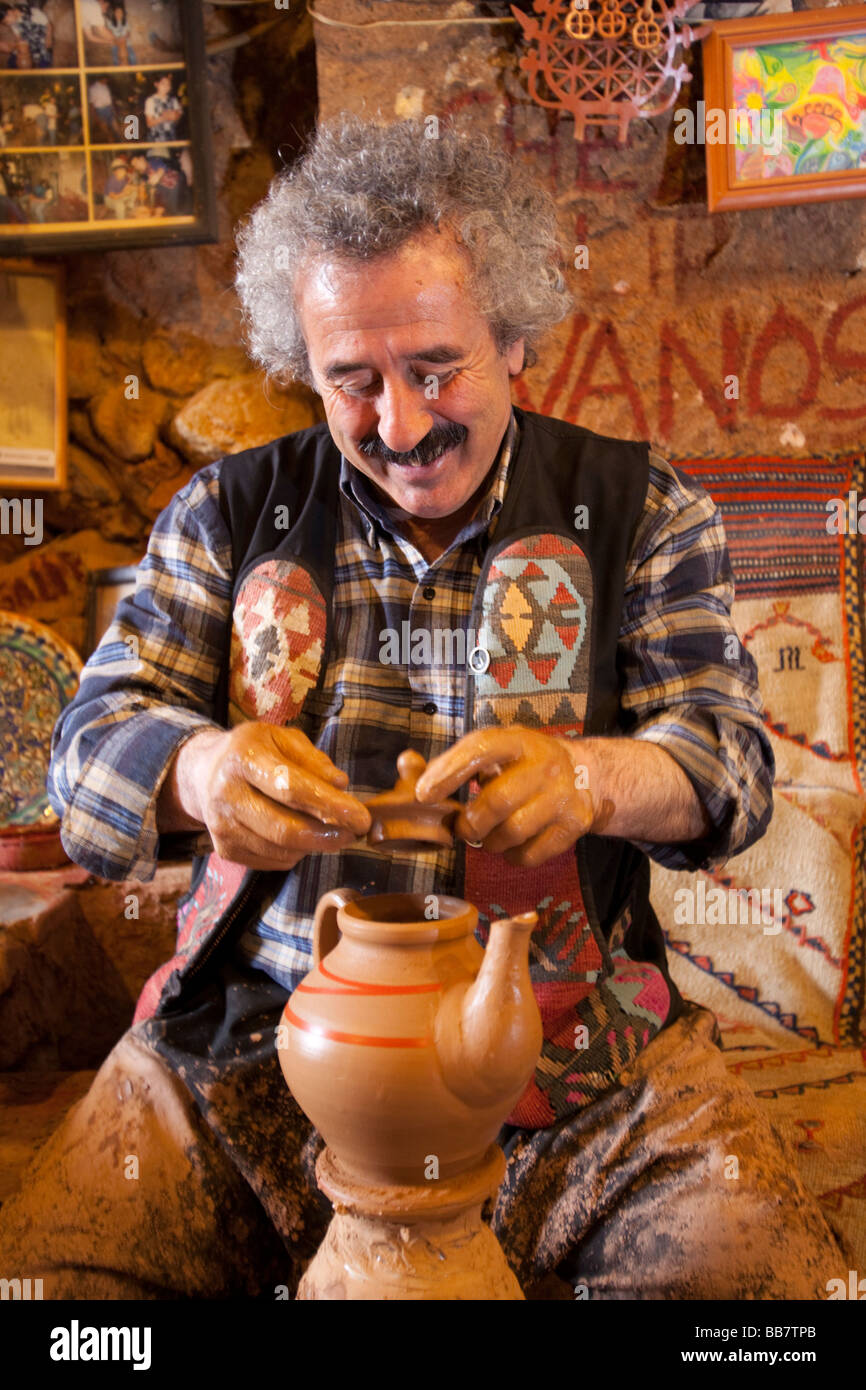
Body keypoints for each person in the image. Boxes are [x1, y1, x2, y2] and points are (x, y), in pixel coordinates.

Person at [0, 115, 847, 1300]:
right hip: (254, 1048)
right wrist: (201, 773)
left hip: (572, 1059)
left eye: (435, 369)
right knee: (53, 1306)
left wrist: (591, 779)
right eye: (352, 379)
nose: (398, 426)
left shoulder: (635, 506)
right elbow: (84, 759)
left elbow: (729, 765)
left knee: (776, 1318)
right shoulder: (225, 511)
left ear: (514, 336)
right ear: (305, 362)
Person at [143, 72, 181, 141]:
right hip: (157, 139)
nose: (166, 87)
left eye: (168, 84)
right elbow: (149, 123)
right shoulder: (151, 101)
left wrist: (175, 116)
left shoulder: (173, 100)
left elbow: (178, 118)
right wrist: (163, 118)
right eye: (163, 84)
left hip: (172, 138)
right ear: (156, 84)